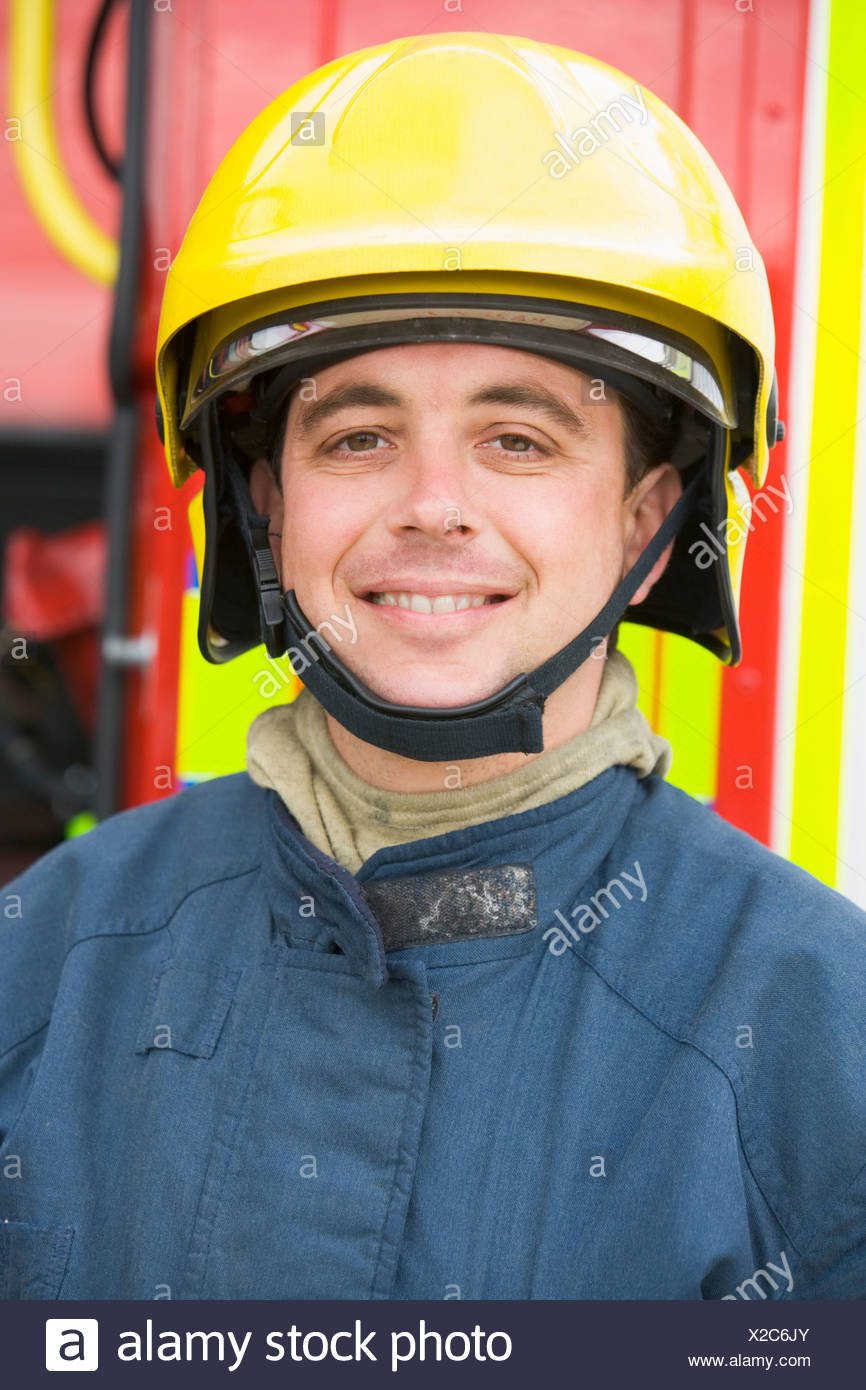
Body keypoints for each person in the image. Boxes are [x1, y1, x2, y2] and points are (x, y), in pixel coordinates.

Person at [1, 31, 864, 1302]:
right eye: (358, 436)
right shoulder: (47, 963)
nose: (434, 505)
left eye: (518, 437)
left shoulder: (817, 1035)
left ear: (642, 518)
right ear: (265, 505)